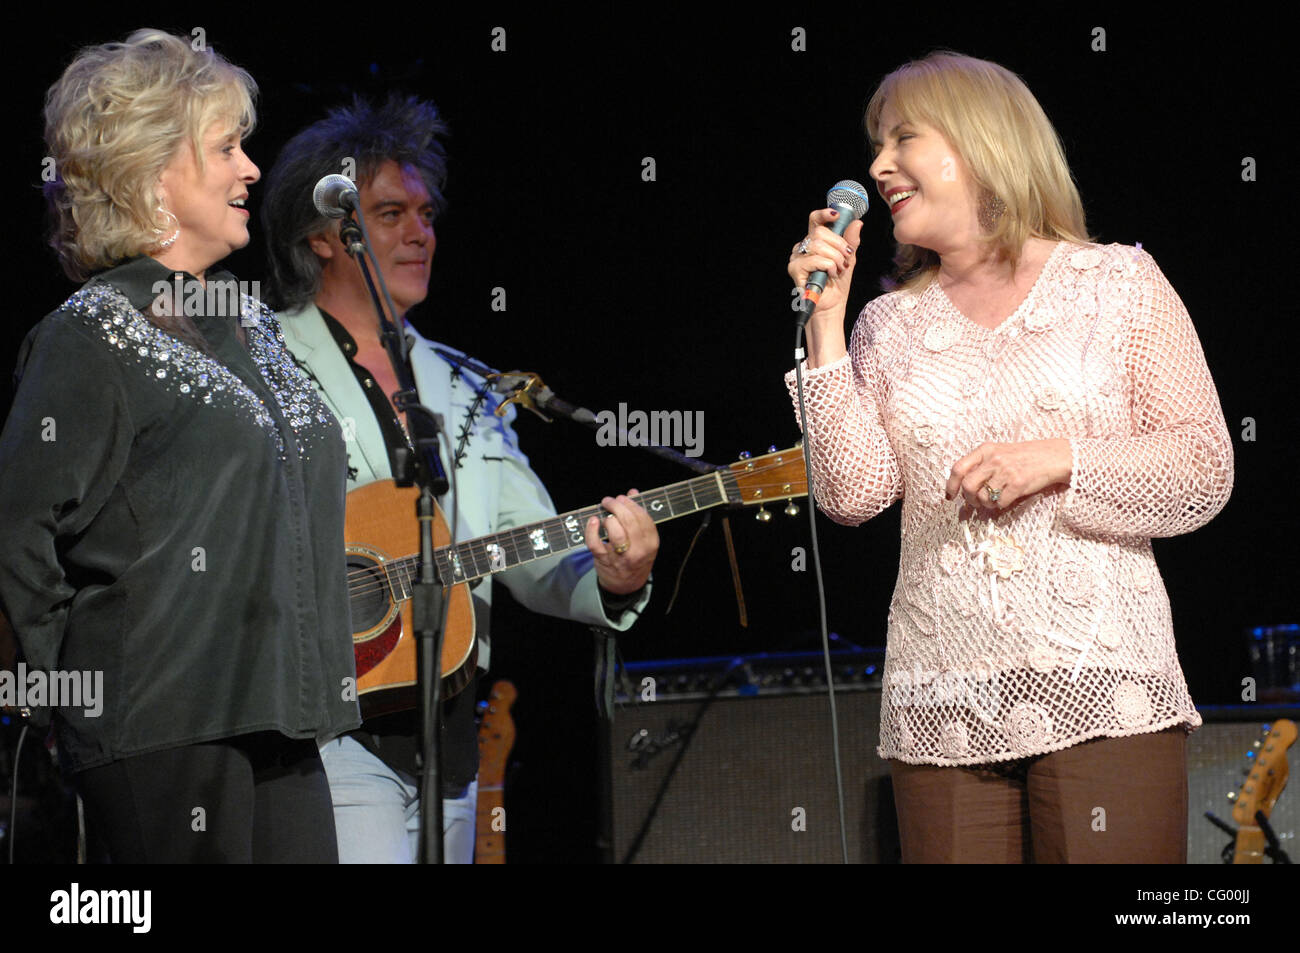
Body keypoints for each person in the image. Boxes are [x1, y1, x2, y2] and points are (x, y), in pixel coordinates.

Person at [785, 51, 1232, 863]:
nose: (879, 165)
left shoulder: (1117, 283)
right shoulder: (886, 326)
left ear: (980, 140)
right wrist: (826, 330)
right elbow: (852, 496)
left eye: (903, 139)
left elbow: (1203, 467)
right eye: (876, 146)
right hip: (941, 704)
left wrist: (1058, 459)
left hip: (1104, 686)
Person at [261, 93, 658, 863]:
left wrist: (613, 576)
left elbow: (532, 550)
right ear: (320, 237)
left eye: (426, 212)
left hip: (447, 737)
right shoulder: (261, 363)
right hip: (324, 731)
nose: (421, 232)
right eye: (389, 213)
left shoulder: (469, 387)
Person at [0, 29, 360, 862]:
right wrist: (76, 694)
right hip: (162, 727)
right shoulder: (92, 334)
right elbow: (17, 530)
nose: (253, 170)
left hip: (282, 714)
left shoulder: (248, 323)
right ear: (154, 171)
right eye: (227, 148)